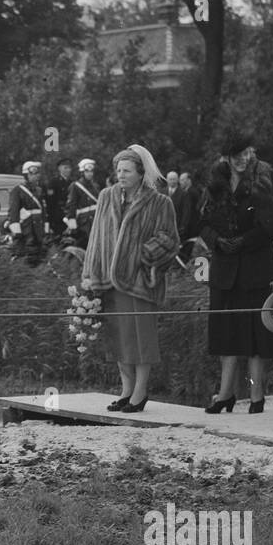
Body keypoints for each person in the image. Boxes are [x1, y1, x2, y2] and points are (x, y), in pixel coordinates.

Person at [80, 145, 180, 414]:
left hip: (139, 281)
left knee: (140, 338)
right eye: (118, 170)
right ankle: (126, 389)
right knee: (118, 338)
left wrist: (144, 255)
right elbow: (95, 238)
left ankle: (141, 391)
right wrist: (89, 275)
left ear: (140, 173)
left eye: (126, 170)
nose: (120, 175)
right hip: (109, 280)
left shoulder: (160, 202)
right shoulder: (106, 196)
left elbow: (170, 240)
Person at [198, 135, 273, 414]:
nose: (241, 159)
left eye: (246, 152)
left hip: (256, 266)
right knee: (225, 332)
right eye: (235, 154)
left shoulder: (263, 176)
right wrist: (217, 241)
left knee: (256, 334)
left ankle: (256, 395)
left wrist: (245, 241)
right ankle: (225, 394)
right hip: (225, 269)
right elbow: (200, 223)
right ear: (226, 156)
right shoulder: (215, 180)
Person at [8, 161, 47, 265]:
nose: (36, 176)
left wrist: (46, 228)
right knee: (26, 258)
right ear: (26, 175)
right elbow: (13, 213)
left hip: (38, 229)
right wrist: (17, 232)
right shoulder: (18, 190)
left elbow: (43, 211)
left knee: (39, 257)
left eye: (37, 173)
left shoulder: (39, 190)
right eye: (32, 174)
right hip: (26, 229)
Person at [65, 158, 101, 247]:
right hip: (83, 224)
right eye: (87, 171)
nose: (90, 173)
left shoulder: (96, 186)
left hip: (95, 221)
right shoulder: (76, 186)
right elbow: (71, 206)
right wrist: (73, 227)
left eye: (91, 171)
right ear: (82, 172)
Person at [45, 159, 74, 240]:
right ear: (60, 169)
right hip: (57, 218)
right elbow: (50, 204)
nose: (68, 170)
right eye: (65, 168)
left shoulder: (72, 182)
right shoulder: (53, 182)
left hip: (69, 217)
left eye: (69, 168)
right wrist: (50, 223)